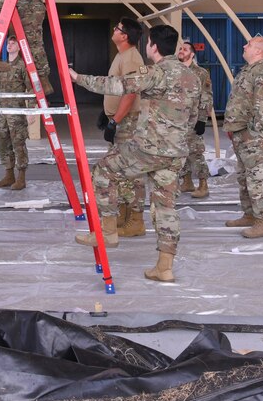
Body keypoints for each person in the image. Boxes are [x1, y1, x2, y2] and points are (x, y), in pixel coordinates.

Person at [68, 25, 204, 283]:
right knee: (166, 208)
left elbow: (118, 85)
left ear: (152, 46)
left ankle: (107, 231)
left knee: (103, 171)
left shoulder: (156, 73)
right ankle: (164, 267)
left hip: (150, 149)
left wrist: (77, 77)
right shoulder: (191, 77)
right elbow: (194, 116)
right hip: (175, 152)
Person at [222, 36, 263, 239]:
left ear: (258, 51)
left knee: (258, 178)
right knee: (244, 176)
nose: (244, 46)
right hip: (241, 133)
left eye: (249, 44)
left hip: (253, 136)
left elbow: (262, 110)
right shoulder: (247, 71)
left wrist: (251, 134)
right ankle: (249, 214)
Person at [101, 18, 147, 238]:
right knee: (122, 171)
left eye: (117, 28)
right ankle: (125, 214)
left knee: (132, 172)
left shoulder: (131, 58)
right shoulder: (122, 56)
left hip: (127, 123)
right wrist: (107, 112)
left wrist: (115, 120)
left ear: (125, 35)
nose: (114, 29)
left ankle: (136, 220)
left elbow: (131, 92)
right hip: (121, 120)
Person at [0, 36, 31, 191]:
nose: (10, 44)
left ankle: (21, 177)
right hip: (2, 111)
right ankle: (9, 174)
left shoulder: (22, 66)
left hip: (17, 112)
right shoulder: (2, 66)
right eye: (8, 42)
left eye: (14, 42)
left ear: (20, 47)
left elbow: (31, 88)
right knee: (3, 142)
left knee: (18, 144)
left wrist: (33, 110)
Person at [176, 39, 213, 199]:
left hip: (193, 119)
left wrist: (202, 120)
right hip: (177, 120)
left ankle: (203, 184)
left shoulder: (200, 73)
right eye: (180, 49)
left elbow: (206, 96)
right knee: (180, 152)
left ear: (192, 54)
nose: (181, 51)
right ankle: (187, 181)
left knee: (196, 152)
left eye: (185, 49)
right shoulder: (176, 72)